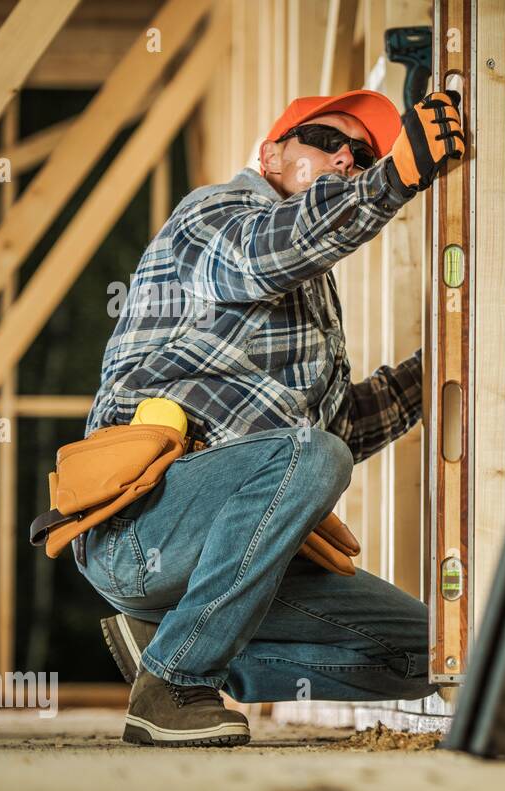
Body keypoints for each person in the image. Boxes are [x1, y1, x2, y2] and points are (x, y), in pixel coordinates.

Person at [76, 88, 464, 746]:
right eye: (326, 139)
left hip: (220, 553)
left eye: (364, 153)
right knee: (311, 456)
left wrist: (442, 370)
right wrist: (394, 175)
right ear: (271, 151)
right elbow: (257, 256)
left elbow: (341, 428)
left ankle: (166, 643)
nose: (348, 157)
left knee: (429, 649)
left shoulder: (311, 291)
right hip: (141, 530)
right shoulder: (218, 214)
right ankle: (174, 684)